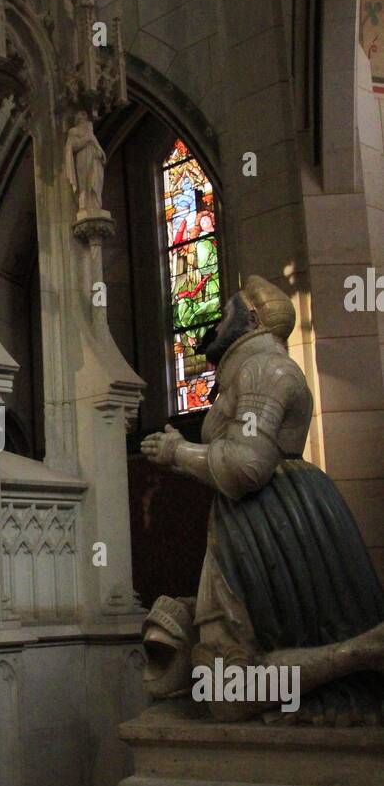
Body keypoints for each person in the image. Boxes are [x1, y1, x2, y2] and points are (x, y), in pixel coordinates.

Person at [142, 275, 384, 722]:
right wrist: (180, 456)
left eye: (229, 310)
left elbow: (247, 467)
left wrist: (179, 452)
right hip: (257, 519)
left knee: (228, 691)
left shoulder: (264, 371)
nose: (217, 323)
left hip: (271, 519)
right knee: (221, 672)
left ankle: (360, 653)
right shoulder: (248, 371)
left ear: (251, 319)